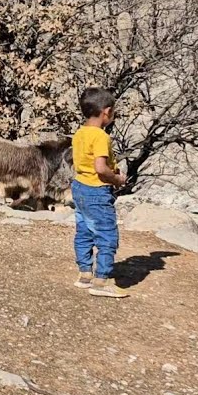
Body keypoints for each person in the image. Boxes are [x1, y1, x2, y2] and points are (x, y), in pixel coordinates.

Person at [70, 87, 128, 298]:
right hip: (97, 190)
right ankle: (101, 281)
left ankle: (85, 273)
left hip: (79, 186)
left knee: (84, 231)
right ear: (107, 111)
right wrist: (117, 179)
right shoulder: (101, 137)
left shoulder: (79, 133)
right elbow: (100, 168)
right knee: (107, 235)